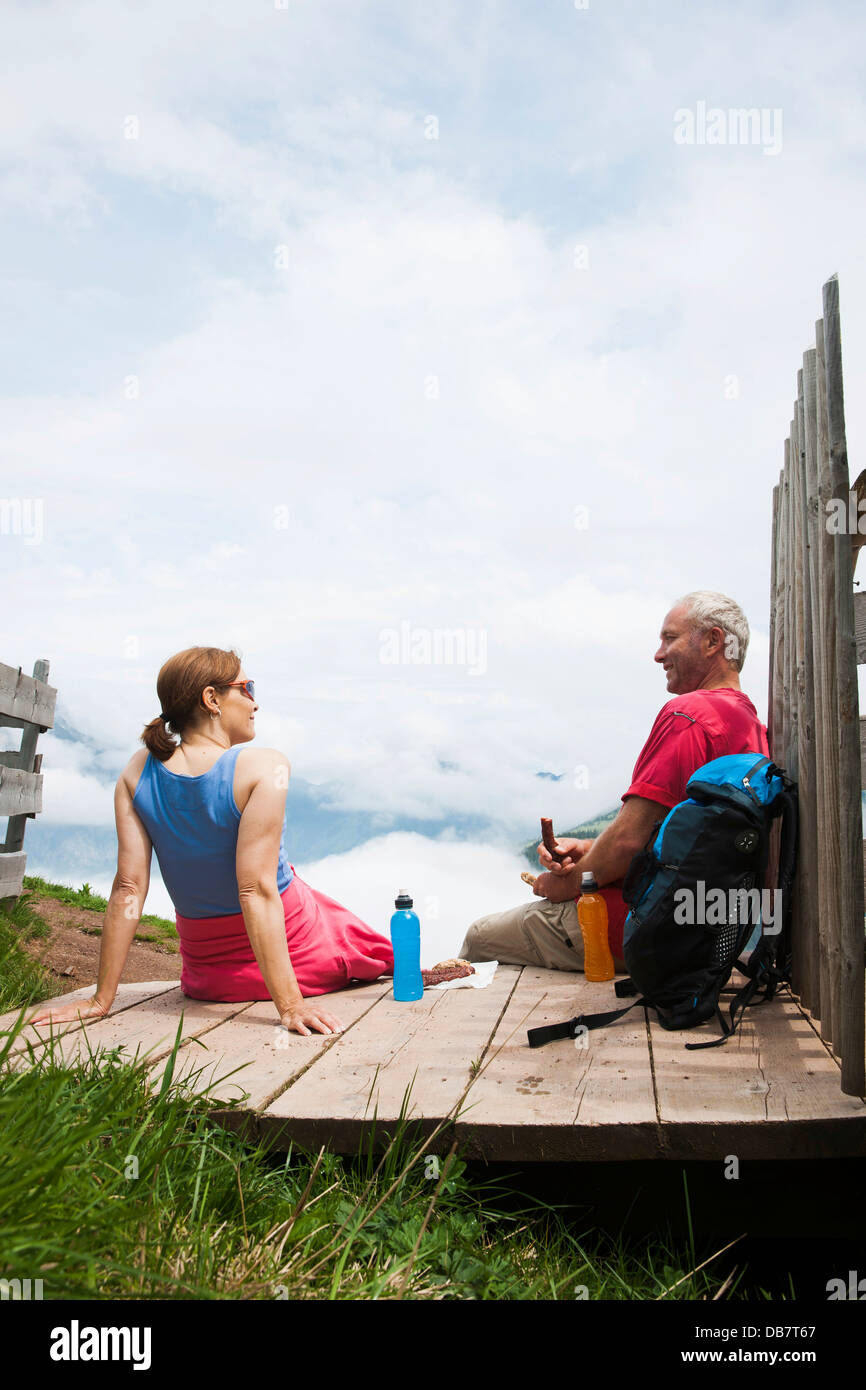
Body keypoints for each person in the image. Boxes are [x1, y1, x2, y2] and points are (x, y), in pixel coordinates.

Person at [27, 646, 393, 1036]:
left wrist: (101, 1000)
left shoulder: (136, 772)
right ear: (211, 699)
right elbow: (255, 888)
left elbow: (128, 887)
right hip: (299, 954)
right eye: (247, 688)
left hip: (210, 979)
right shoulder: (265, 766)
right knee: (362, 939)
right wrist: (290, 1006)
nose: (255, 702)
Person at [458, 591, 770, 972]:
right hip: (702, 936)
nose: (658, 654)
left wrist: (565, 884)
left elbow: (627, 842)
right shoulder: (751, 726)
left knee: (480, 936)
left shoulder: (688, 716)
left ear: (712, 641)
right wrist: (590, 848)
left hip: (635, 928)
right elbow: (686, 839)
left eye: (670, 638)